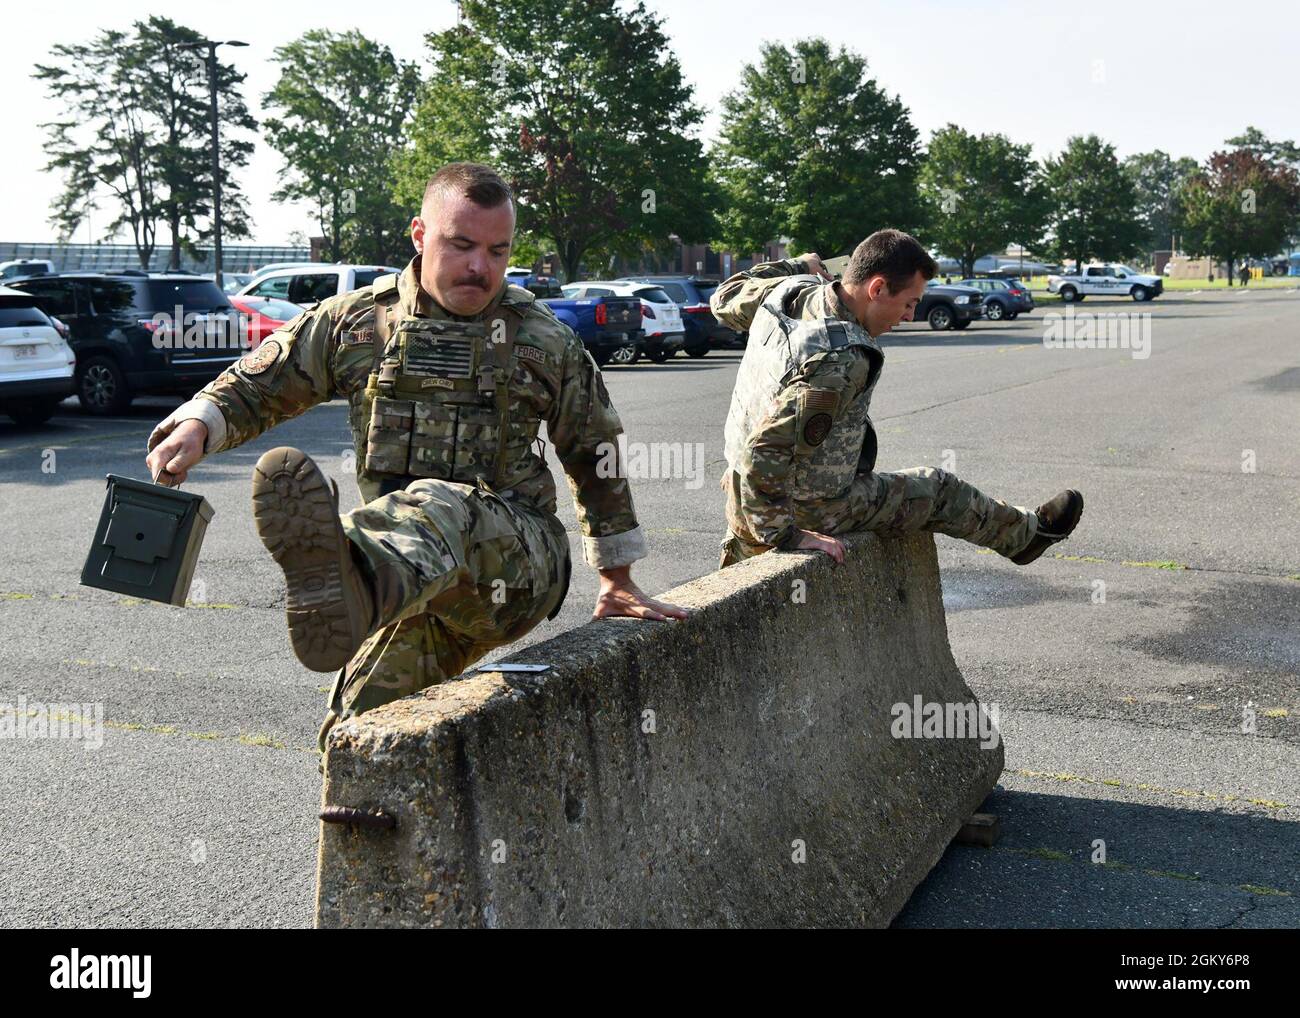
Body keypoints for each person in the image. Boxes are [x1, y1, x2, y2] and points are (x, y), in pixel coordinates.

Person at [146, 162, 686, 749]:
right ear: (420, 234)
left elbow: (594, 449)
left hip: (517, 568)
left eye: (498, 251)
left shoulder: (542, 338)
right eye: (461, 245)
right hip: (418, 587)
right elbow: (262, 382)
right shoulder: (358, 324)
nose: (481, 267)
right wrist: (199, 426)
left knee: (441, 504)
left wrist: (618, 577)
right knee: (361, 729)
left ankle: (353, 565)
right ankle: (369, 825)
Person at [712, 228, 1083, 570]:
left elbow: (724, 297)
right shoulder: (840, 360)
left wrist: (795, 264)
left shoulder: (789, 289)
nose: (910, 316)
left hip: (742, 498)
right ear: (876, 289)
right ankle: (1027, 537)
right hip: (807, 507)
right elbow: (766, 451)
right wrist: (786, 536)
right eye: (908, 303)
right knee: (937, 490)